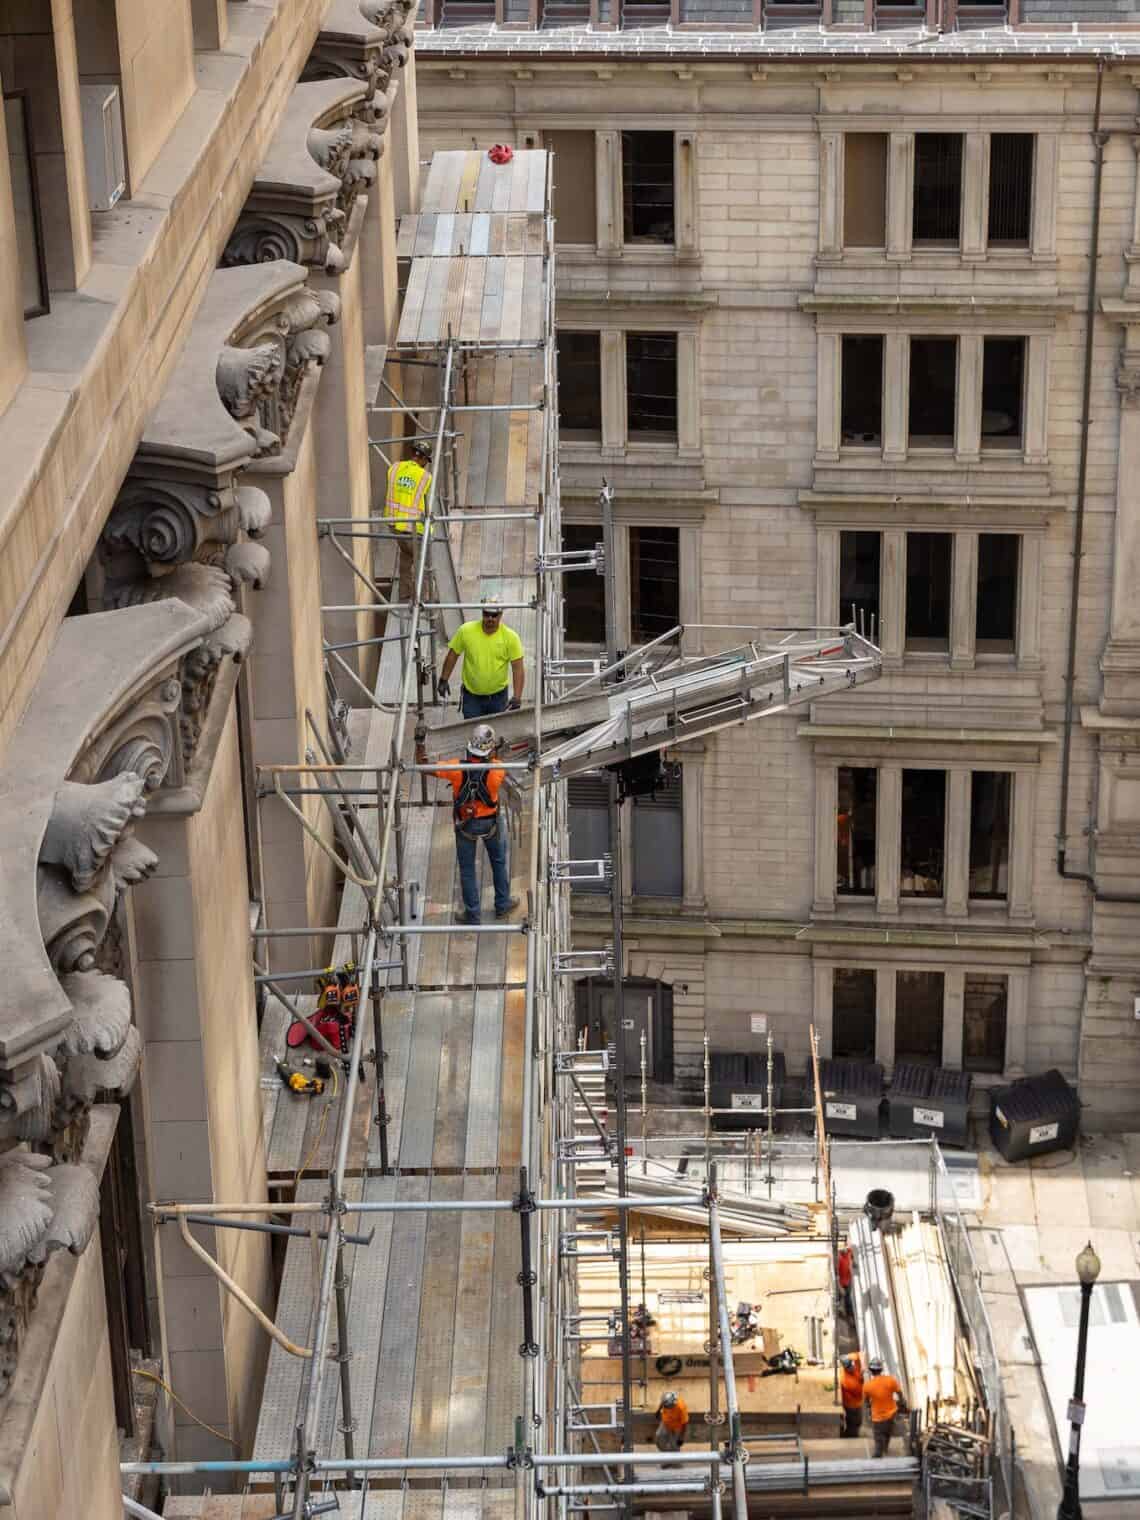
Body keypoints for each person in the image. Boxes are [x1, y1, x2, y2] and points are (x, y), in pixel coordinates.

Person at [415, 721, 519, 925]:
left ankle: (473, 914)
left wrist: (420, 744)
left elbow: (423, 767)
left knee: (467, 869)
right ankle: (502, 904)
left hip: (466, 825)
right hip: (491, 824)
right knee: (498, 862)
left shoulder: (456, 769)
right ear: (490, 750)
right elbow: (497, 762)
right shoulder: (498, 770)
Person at [437, 597, 525, 719]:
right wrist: (443, 679)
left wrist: (517, 697)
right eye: (486, 614)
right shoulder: (466, 631)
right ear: (482, 613)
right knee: (472, 732)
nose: (490, 618)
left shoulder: (511, 637)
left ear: (500, 615)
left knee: (496, 731)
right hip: (472, 698)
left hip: (498, 699)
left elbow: (518, 668)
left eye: (494, 615)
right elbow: (453, 655)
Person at [384, 440, 432, 599]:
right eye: (426, 461)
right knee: (421, 563)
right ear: (424, 459)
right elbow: (425, 503)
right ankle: (421, 599)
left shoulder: (395, 467)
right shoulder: (425, 476)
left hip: (393, 525)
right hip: (412, 528)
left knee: (406, 556)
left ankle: (403, 594)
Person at [863, 1356, 905, 1458]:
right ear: (881, 1369)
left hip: (877, 1416)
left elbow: (866, 1401)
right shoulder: (890, 1380)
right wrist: (901, 1403)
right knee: (887, 1432)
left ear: (871, 1371)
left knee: (878, 1435)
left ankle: (878, 1452)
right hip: (891, 1413)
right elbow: (899, 1393)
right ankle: (885, 1446)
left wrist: (868, 1407)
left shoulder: (867, 1386)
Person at [839, 1353, 864, 1439]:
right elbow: (860, 1392)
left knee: (858, 1422)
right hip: (851, 1405)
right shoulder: (846, 1380)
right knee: (854, 1422)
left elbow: (860, 1354)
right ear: (846, 1368)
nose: (853, 1366)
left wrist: (863, 1366)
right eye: (850, 1366)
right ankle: (850, 1436)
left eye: (852, 1364)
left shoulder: (852, 1364)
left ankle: (851, 1433)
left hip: (857, 1403)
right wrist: (862, 1379)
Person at [837, 1244, 854, 1321]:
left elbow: (851, 1252)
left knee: (848, 1299)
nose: (845, 1250)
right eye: (842, 1250)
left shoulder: (848, 1252)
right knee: (842, 1297)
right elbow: (836, 1275)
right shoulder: (839, 1259)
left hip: (848, 1280)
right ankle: (840, 1311)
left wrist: (853, 1263)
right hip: (842, 1282)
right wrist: (840, 1287)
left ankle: (849, 1316)